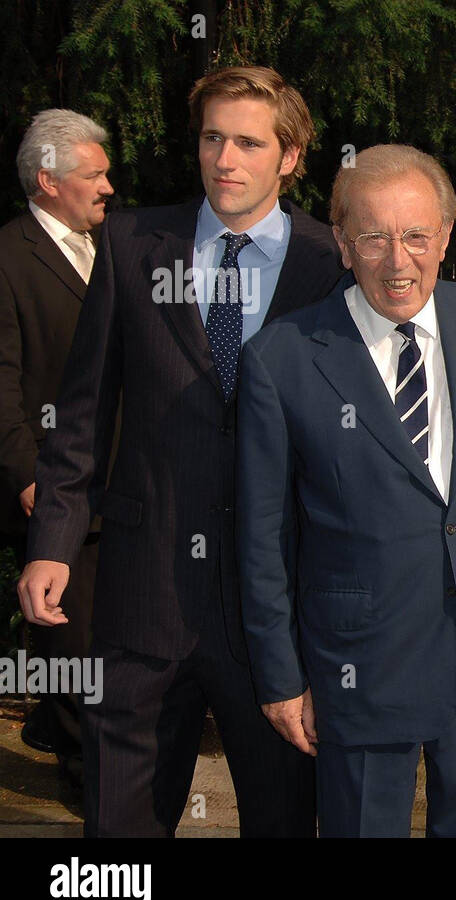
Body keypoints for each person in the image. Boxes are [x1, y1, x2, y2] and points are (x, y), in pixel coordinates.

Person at [17, 66, 342, 837]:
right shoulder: (132, 243)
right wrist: (53, 541)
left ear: (290, 157)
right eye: (212, 138)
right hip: (143, 597)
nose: (224, 159)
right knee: (119, 832)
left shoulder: (328, 263)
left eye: (249, 143)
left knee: (284, 821)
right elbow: (82, 415)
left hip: (276, 616)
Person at [238, 144, 456, 838]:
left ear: (446, 236)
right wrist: (281, 676)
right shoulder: (282, 359)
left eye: (417, 235)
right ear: (342, 243)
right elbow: (262, 536)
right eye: (374, 237)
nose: (399, 260)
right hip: (356, 669)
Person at [1, 109, 114, 793]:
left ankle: (97, 754)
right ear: (48, 180)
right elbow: (2, 383)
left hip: (121, 486)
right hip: (55, 492)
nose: (108, 186)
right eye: (94, 174)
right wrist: (27, 478)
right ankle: (83, 774)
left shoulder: (113, 250)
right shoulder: (8, 258)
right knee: (72, 644)